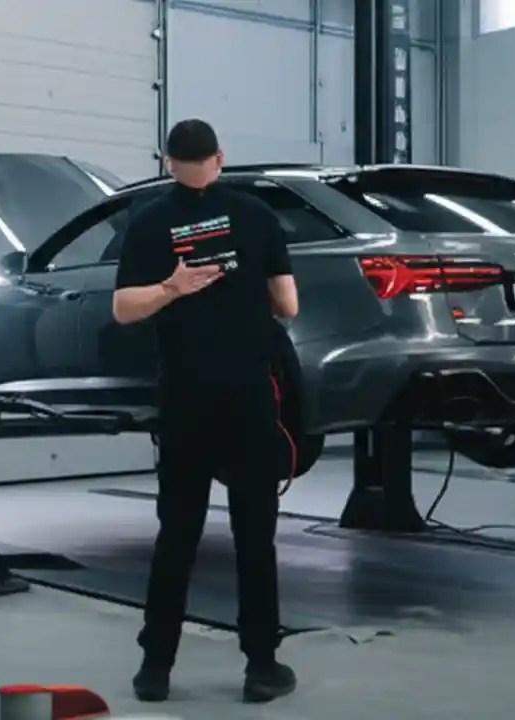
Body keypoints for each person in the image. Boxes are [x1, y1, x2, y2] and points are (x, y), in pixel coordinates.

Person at [111, 118, 300, 704]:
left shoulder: (148, 222)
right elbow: (289, 304)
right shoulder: (257, 216)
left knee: (178, 533)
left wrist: (171, 288)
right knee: (255, 535)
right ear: (220, 157)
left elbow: (123, 309)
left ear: (168, 162)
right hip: (247, 395)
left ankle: (155, 669)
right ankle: (261, 666)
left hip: (185, 397)